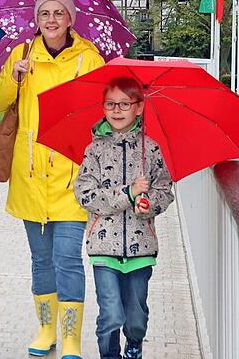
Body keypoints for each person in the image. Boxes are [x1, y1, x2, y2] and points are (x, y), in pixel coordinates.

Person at [0, 0, 105, 359]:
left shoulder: (89, 60)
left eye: (58, 13)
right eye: (44, 14)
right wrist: (14, 78)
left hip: (73, 176)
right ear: (36, 20)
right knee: (40, 259)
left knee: (67, 257)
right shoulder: (22, 55)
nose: (51, 20)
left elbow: (102, 112)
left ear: (71, 18)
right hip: (30, 174)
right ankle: (45, 329)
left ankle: (71, 338)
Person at [73, 77, 174, 359]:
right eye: (110, 104)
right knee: (111, 315)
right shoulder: (94, 150)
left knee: (136, 317)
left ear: (139, 107)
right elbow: (85, 194)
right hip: (103, 251)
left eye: (125, 104)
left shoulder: (151, 149)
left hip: (140, 250)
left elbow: (165, 190)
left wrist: (148, 203)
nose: (117, 110)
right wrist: (128, 193)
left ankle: (134, 345)